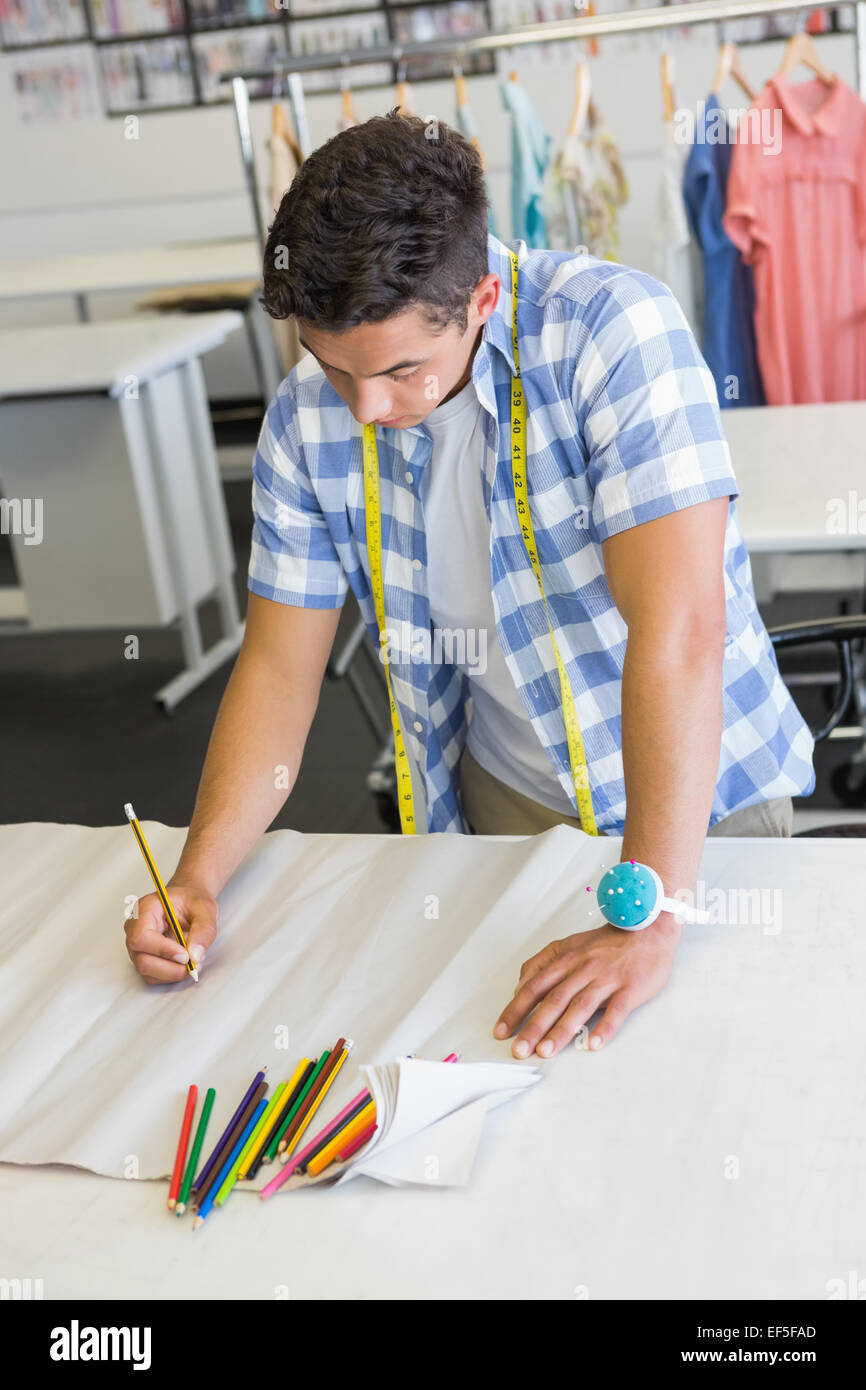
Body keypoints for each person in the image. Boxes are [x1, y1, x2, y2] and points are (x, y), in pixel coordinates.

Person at [124, 111, 815, 1059]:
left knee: (711, 1081)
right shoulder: (308, 415)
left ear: (484, 296)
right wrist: (197, 873)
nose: (365, 410)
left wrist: (650, 909)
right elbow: (282, 670)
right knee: (516, 1082)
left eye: (402, 370)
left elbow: (681, 631)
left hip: (700, 805)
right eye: (335, 370)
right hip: (508, 801)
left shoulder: (613, 332)